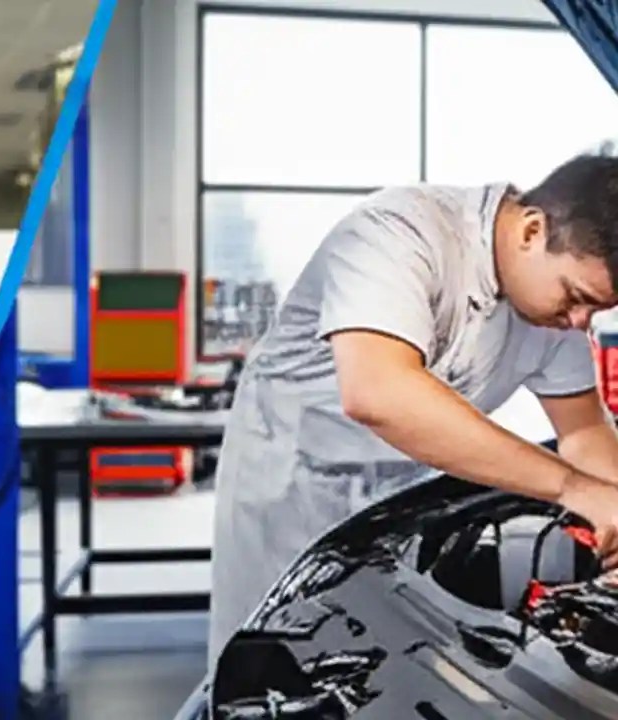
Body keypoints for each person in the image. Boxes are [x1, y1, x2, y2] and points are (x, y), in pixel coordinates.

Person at [208, 153, 618, 668]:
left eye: (596, 310)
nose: (581, 322)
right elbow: (378, 394)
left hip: (401, 493)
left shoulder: (553, 315)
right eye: (576, 297)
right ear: (532, 231)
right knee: (273, 670)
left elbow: (583, 431)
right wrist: (576, 489)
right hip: (295, 482)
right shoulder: (399, 233)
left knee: (382, 671)